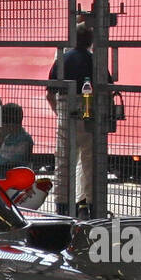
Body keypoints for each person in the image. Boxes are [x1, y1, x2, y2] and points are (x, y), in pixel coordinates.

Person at [47, 24, 98, 218]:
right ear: (91, 41)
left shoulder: (62, 60)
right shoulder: (95, 61)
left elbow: (50, 94)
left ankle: (63, 205)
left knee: (64, 161)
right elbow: (106, 89)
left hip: (66, 109)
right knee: (89, 160)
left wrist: (60, 113)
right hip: (88, 107)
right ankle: (89, 204)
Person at [0, 103, 34, 173]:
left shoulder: (25, 139)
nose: (1, 125)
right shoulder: (6, 137)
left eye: (2, 121)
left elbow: (14, 161)